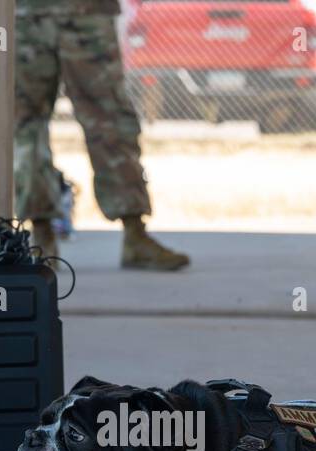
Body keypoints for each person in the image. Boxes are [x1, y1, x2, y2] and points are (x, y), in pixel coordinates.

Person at [15, 0, 190, 271]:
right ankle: (41, 236)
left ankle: (134, 235)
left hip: (84, 13)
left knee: (109, 119)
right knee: (26, 124)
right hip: (29, 15)